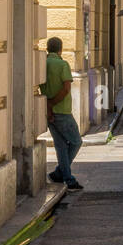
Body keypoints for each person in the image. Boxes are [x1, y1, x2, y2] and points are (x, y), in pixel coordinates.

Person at [41, 37, 83, 192]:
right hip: (62, 111)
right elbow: (66, 88)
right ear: (60, 49)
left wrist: (47, 105)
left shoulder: (42, 64)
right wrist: (52, 103)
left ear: (47, 48)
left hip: (48, 112)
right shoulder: (62, 64)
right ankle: (66, 176)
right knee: (76, 142)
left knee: (60, 146)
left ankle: (61, 174)